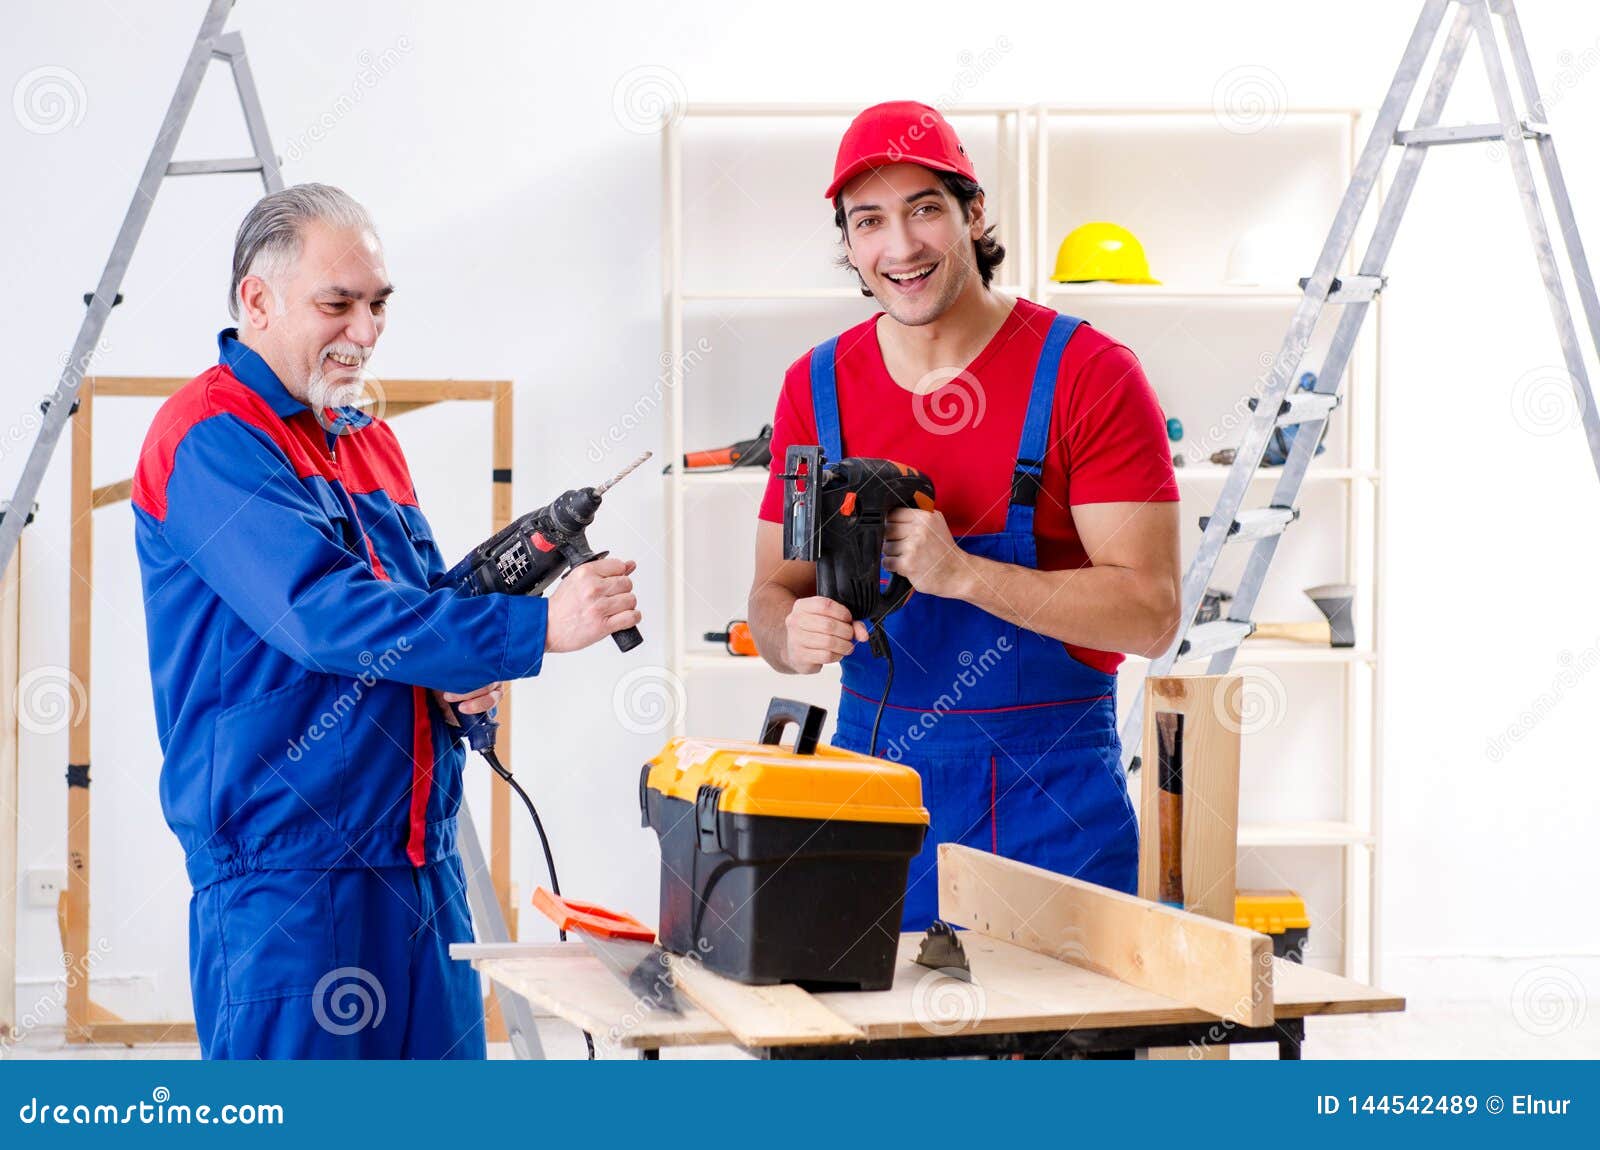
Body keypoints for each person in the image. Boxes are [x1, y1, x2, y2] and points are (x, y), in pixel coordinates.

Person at [131, 183, 640, 1058]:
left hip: (419, 857)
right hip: (289, 879)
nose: (364, 332)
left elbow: (418, 602)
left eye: (377, 305)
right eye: (338, 305)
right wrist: (530, 632)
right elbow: (321, 613)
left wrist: (462, 672)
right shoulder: (207, 437)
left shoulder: (367, 438)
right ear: (257, 300)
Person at [747, 103, 1182, 930]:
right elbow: (772, 591)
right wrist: (786, 634)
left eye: (925, 210)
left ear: (972, 212)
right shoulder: (817, 387)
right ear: (848, 241)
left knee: (1059, 1054)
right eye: (869, 220)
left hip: (1049, 809)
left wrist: (965, 575)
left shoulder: (1088, 374)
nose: (900, 247)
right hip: (872, 805)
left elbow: (1152, 614)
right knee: (871, 1053)